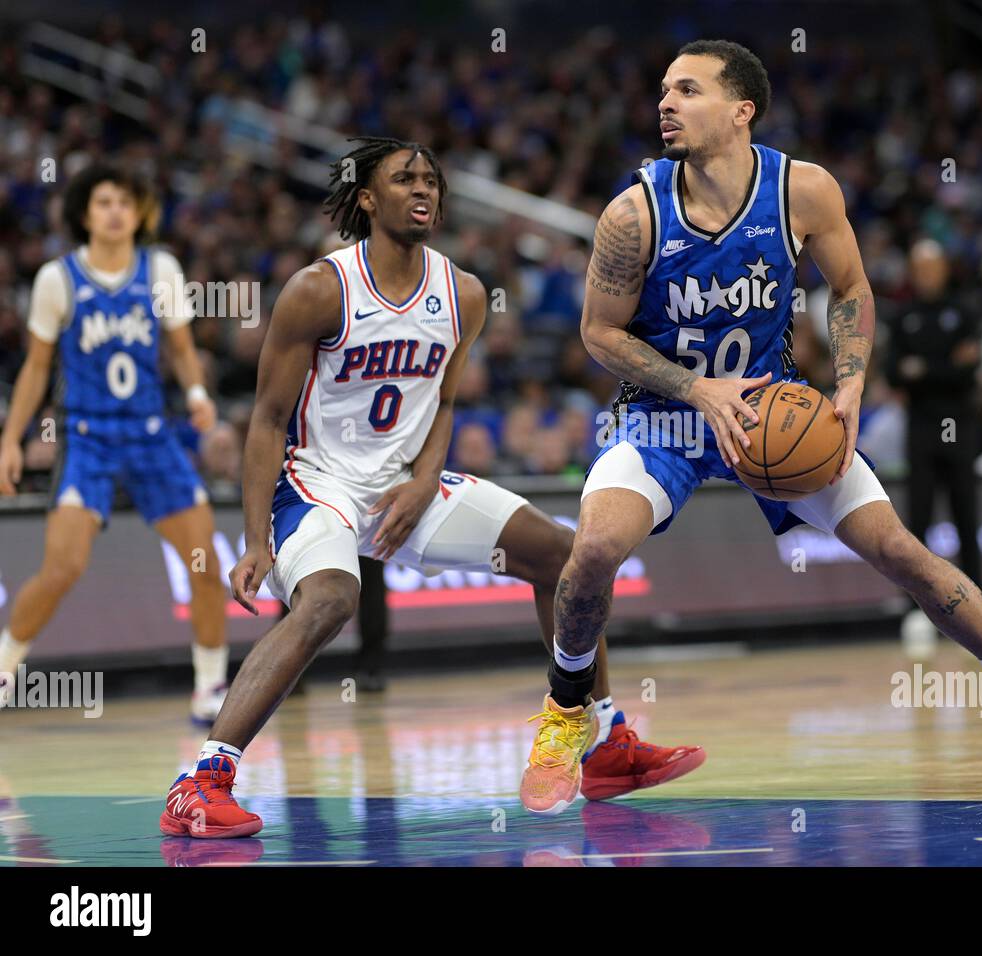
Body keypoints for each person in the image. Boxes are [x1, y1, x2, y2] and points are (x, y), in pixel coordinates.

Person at [518, 39, 982, 817]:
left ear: (741, 111)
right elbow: (599, 333)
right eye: (663, 89)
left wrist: (849, 382)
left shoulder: (803, 191)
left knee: (904, 553)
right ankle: (569, 713)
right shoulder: (633, 213)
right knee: (592, 550)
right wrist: (694, 387)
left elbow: (851, 287)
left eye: (688, 90)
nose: (665, 103)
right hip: (663, 417)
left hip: (775, 412)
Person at [159, 138, 702, 840]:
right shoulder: (320, 289)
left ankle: (601, 740)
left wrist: (421, 483)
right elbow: (264, 420)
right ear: (366, 198)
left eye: (433, 180)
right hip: (317, 483)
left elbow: (442, 406)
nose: (424, 189)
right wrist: (256, 536)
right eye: (404, 178)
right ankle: (201, 780)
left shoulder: (464, 293)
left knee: (568, 558)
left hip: (405, 488)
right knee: (332, 599)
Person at [0, 165, 228, 724]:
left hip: (152, 436)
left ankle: (210, 688)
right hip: (87, 440)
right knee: (62, 568)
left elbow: (180, 347)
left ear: (139, 212)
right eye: (104, 201)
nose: (115, 211)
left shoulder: (161, 268)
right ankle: (4, 670)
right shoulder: (58, 279)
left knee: (204, 565)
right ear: (84, 214)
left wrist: (197, 391)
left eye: (125, 201)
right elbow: (35, 368)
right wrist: (11, 438)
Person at [887, 239, 982, 588]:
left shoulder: (964, 312)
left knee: (967, 515)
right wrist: (945, 365)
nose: (926, 275)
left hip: (960, 425)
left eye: (932, 267)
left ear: (944, 269)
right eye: (919, 269)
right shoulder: (904, 317)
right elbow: (893, 373)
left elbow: (969, 371)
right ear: (912, 274)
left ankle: (980, 598)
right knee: (918, 518)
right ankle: (917, 602)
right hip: (921, 428)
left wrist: (923, 369)